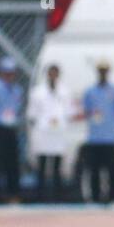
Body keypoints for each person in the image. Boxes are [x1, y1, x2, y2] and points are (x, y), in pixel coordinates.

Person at [27, 64, 74, 202]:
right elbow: (32, 114)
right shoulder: (37, 92)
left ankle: (57, 196)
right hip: (43, 131)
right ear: (47, 74)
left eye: (55, 73)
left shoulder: (65, 91)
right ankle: (40, 196)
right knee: (42, 165)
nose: (53, 76)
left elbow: (69, 111)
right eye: (50, 73)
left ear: (58, 75)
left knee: (57, 165)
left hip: (58, 132)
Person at [81, 60, 114, 204]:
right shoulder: (90, 92)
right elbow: (87, 112)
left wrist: (112, 126)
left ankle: (113, 196)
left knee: (111, 170)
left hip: (109, 137)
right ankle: (95, 196)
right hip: (94, 137)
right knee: (94, 170)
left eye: (105, 71)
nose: (103, 73)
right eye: (101, 71)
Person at [0, 57, 24, 202]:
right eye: (6, 73)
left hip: (12, 129)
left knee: (12, 162)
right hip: (0, 127)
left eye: (12, 73)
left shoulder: (17, 90)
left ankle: (13, 194)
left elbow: (18, 109)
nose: (9, 76)